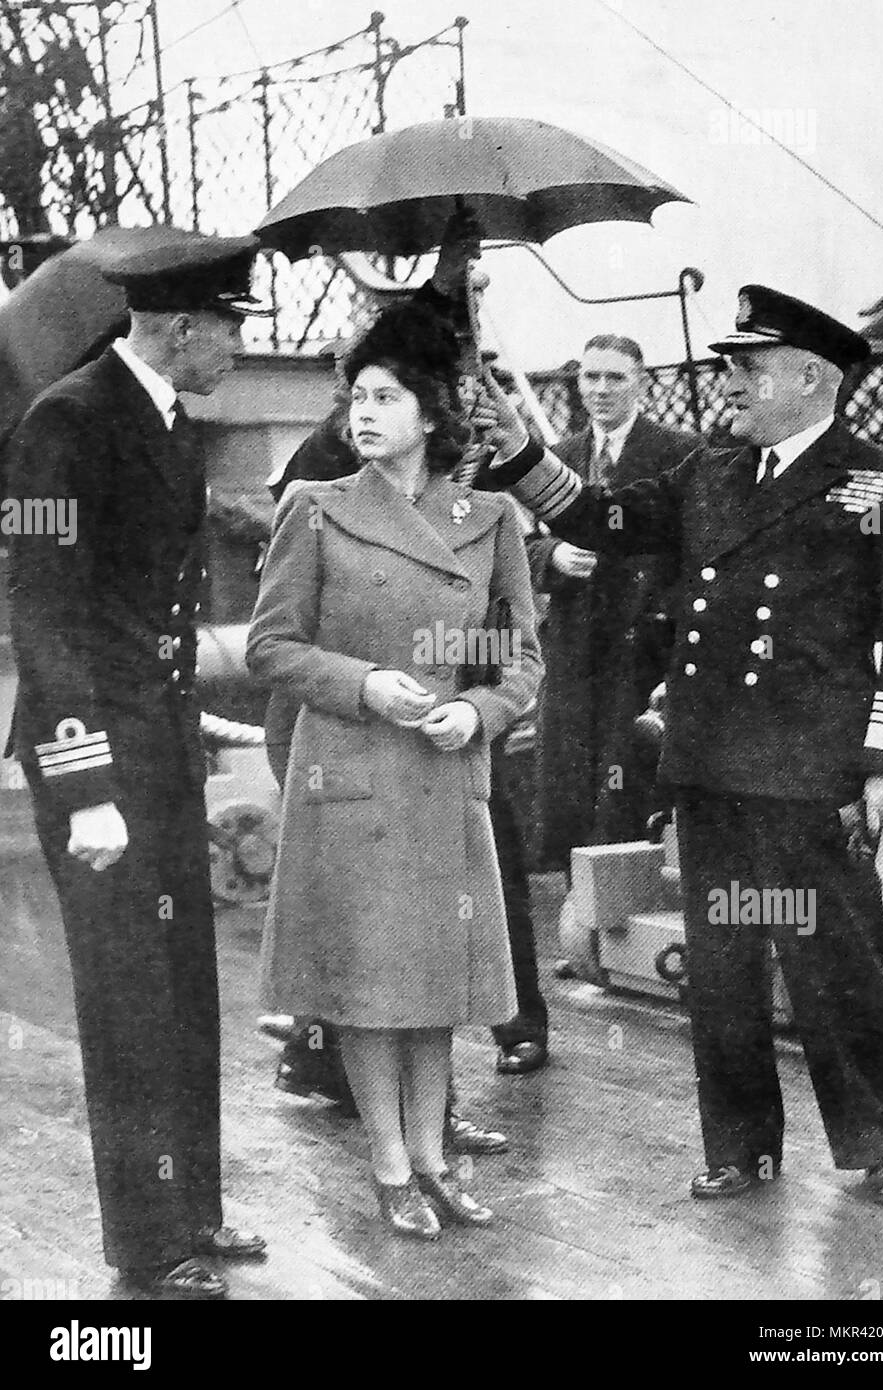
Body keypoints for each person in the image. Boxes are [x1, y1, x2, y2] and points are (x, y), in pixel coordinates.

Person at [477, 284, 883, 1207]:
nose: (730, 382)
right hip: (710, 761)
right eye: (729, 364)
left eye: (747, 367)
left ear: (811, 376)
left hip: (816, 773)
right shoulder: (709, 474)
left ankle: (875, 1146)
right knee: (720, 967)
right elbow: (602, 519)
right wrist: (522, 455)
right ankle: (740, 1147)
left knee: (832, 963)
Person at [5, 235, 269, 1298]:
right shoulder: (67, 421)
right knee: (125, 1003)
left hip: (156, 746)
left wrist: (185, 717)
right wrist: (85, 786)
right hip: (99, 765)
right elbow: (49, 615)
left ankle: (194, 1207)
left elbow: (145, 616)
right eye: (234, 325)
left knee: (183, 991)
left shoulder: (166, 422)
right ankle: (149, 1245)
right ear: (177, 326)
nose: (241, 345)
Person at [247, 300, 543, 1240]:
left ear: (431, 413)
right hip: (351, 776)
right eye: (358, 398)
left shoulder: (490, 517)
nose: (364, 415)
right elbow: (270, 649)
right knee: (371, 989)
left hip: (448, 775)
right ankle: (388, 1165)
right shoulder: (318, 509)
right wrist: (365, 682)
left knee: (435, 985)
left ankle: (433, 1159)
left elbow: (520, 662)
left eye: (386, 397)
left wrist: (480, 709)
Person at [528, 334, 701, 870]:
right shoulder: (558, 458)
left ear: (642, 383)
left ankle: (623, 912)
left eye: (615, 378)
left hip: (645, 646)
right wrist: (553, 555)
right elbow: (523, 543)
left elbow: (700, 553)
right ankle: (578, 912)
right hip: (576, 645)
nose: (600, 390)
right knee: (570, 778)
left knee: (628, 779)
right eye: (590, 377)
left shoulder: (682, 453)